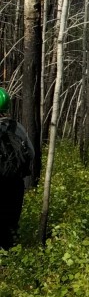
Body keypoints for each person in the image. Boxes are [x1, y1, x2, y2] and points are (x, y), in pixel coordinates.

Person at [0, 87, 37, 249]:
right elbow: (31, 153)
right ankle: (12, 256)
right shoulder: (18, 128)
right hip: (15, 185)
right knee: (11, 223)